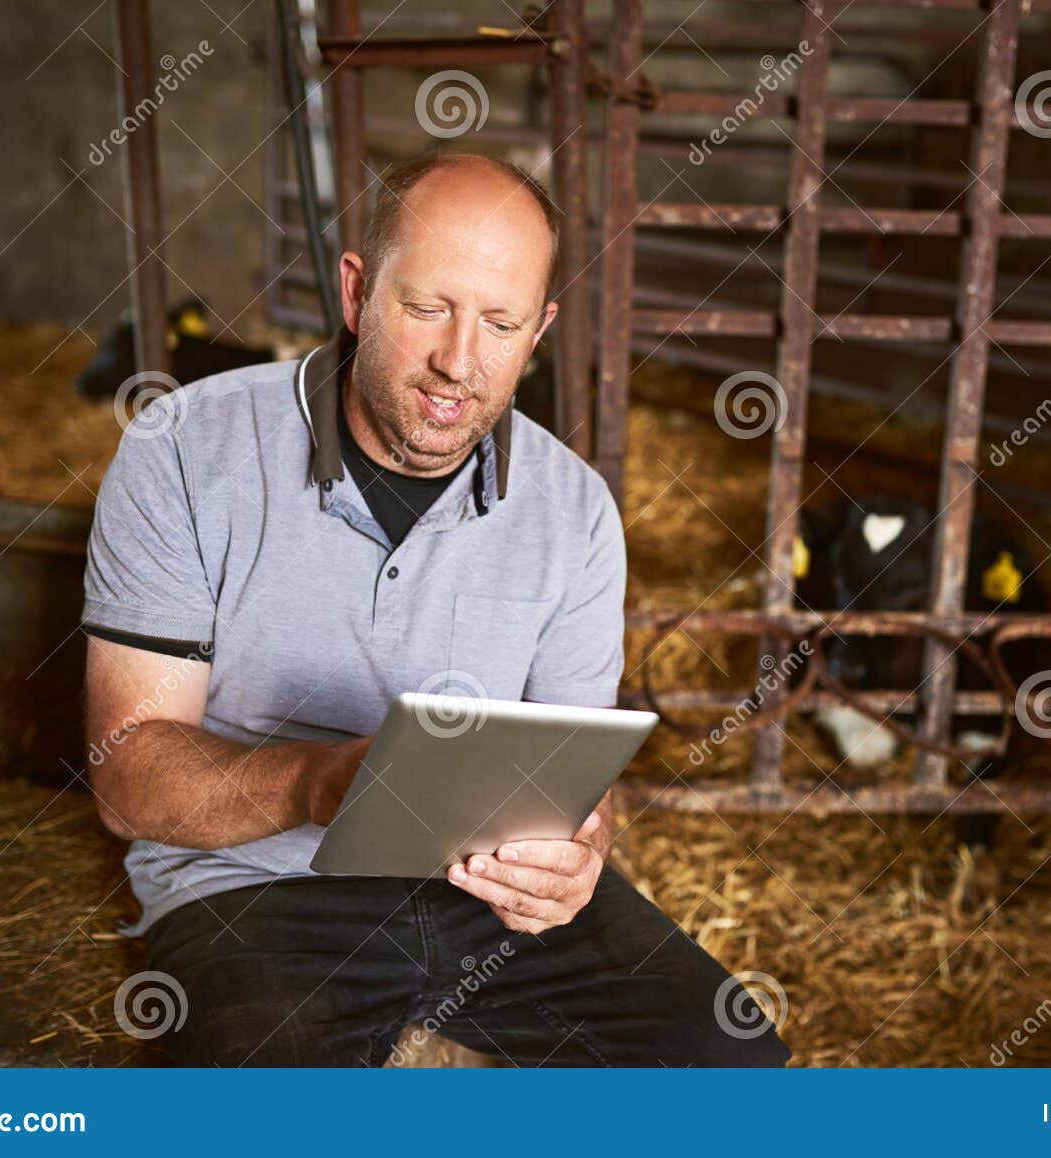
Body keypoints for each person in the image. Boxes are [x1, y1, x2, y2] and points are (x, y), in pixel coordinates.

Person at [80, 151, 790, 1067]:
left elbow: (579, 781)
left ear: (539, 332)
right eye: (427, 309)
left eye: (501, 323)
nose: (460, 362)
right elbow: (127, 777)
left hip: (481, 893)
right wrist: (319, 784)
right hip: (250, 886)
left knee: (732, 1062)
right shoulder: (183, 450)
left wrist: (574, 860)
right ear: (357, 292)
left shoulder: (575, 510)